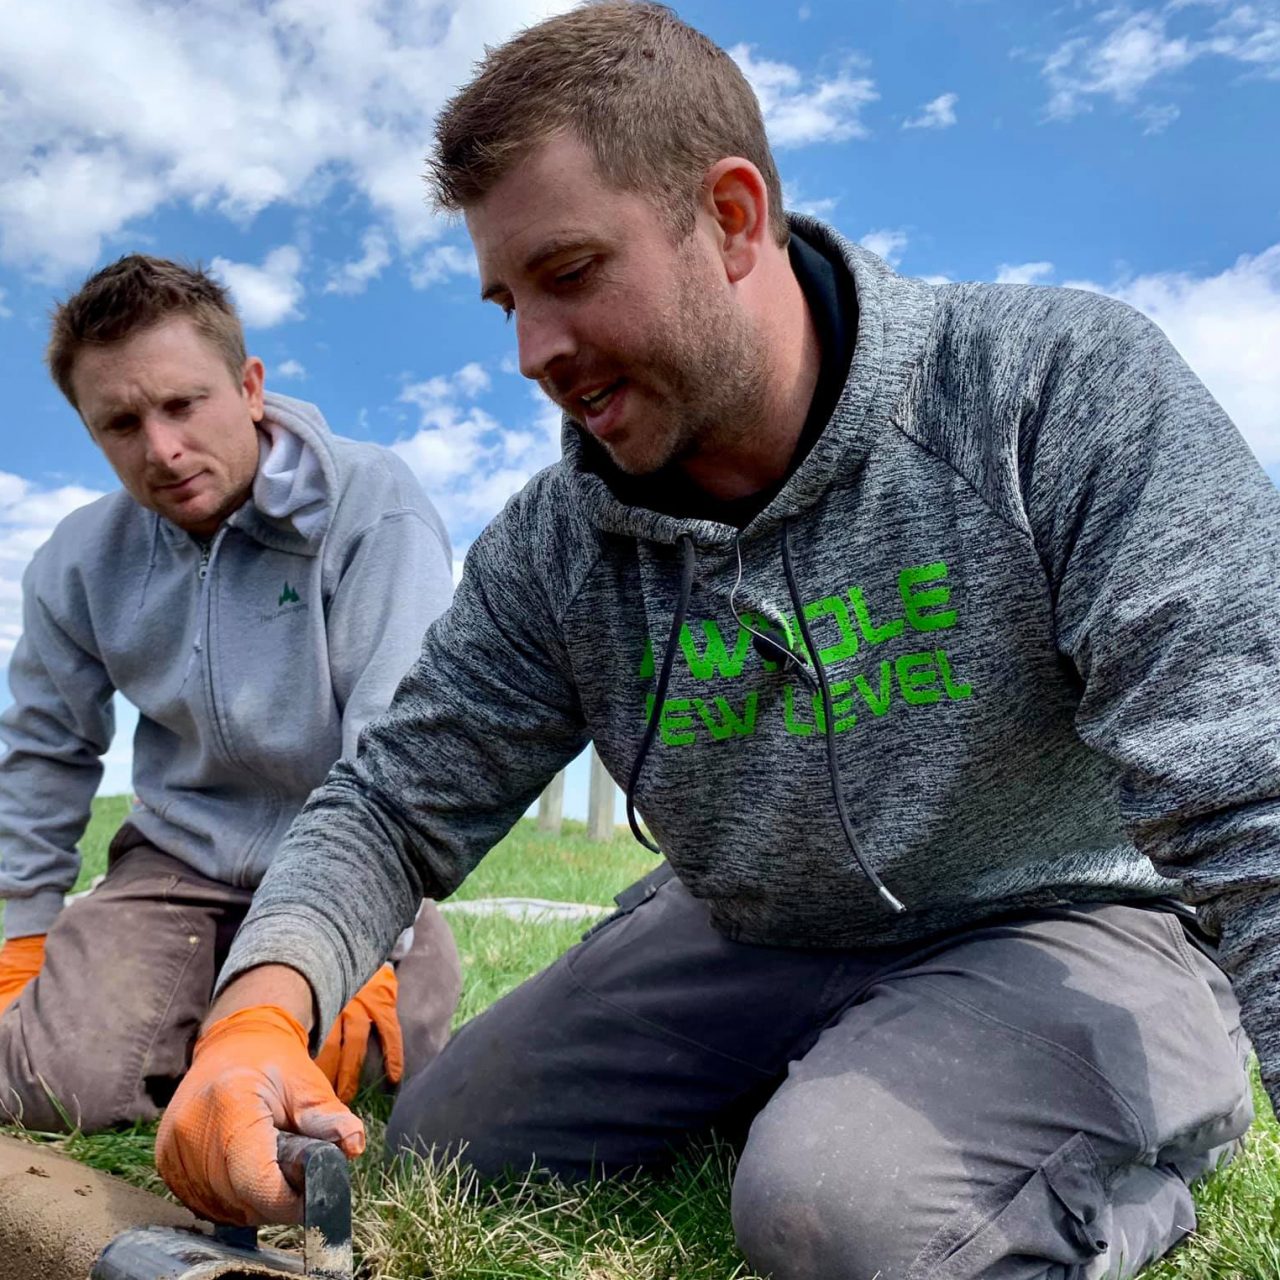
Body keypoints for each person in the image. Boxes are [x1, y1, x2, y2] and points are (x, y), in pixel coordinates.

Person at [157, 5, 1280, 1277]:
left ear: (734, 218)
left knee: (836, 1214)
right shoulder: (559, 544)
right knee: (443, 1145)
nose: (531, 351)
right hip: (749, 926)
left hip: (1063, 920)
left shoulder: (1049, 392)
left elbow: (1250, 784)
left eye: (569, 272)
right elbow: (392, 800)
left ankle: (1133, 1130)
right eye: (507, 300)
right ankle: (846, 1076)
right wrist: (257, 1012)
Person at [0, 255, 462, 1134]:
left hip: (340, 853)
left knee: (349, 1080)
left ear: (249, 387)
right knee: (54, 1081)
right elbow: (45, 749)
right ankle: (167, 997)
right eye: (121, 423)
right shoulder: (78, 563)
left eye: (182, 404)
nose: (161, 449)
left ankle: (392, 962)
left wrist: (375, 939)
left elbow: (399, 736)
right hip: (176, 863)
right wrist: (25, 937)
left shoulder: (372, 506)